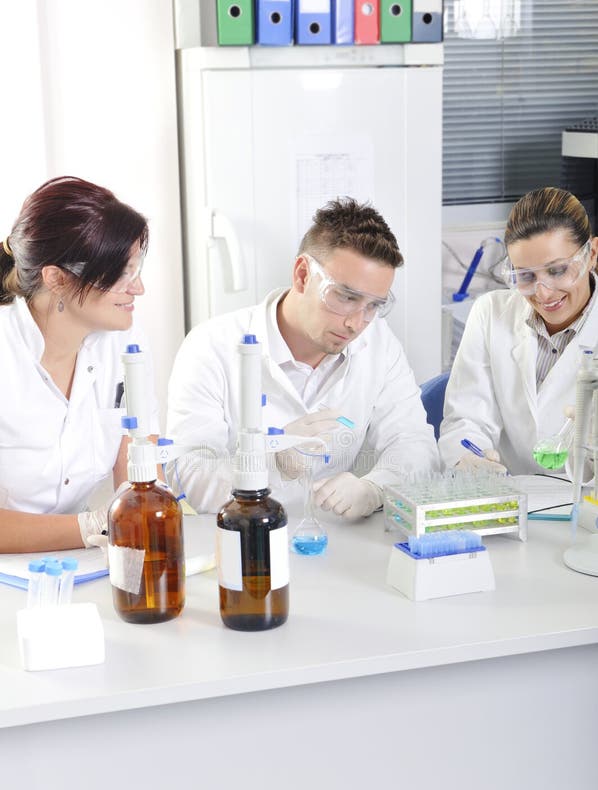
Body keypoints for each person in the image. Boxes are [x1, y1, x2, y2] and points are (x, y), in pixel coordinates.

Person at [167, 198, 439, 518]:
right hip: (246, 541)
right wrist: (273, 463)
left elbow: (416, 446)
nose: (356, 323)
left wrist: (375, 488)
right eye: (346, 297)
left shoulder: (378, 342)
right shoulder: (211, 346)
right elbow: (191, 479)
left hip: (337, 541)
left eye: (373, 305)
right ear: (302, 275)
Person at [0, 175, 160, 553]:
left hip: (81, 564)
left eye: (136, 269)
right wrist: (93, 527)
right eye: (122, 273)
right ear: (56, 279)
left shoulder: (126, 344)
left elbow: (144, 476)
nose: (138, 288)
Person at [439, 187, 598, 475]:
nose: (544, 293)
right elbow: (465, 420)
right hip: (507, 495)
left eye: (558, 270)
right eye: (525, 276)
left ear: (592, 254)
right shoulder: (490, 313)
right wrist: (468, 459)